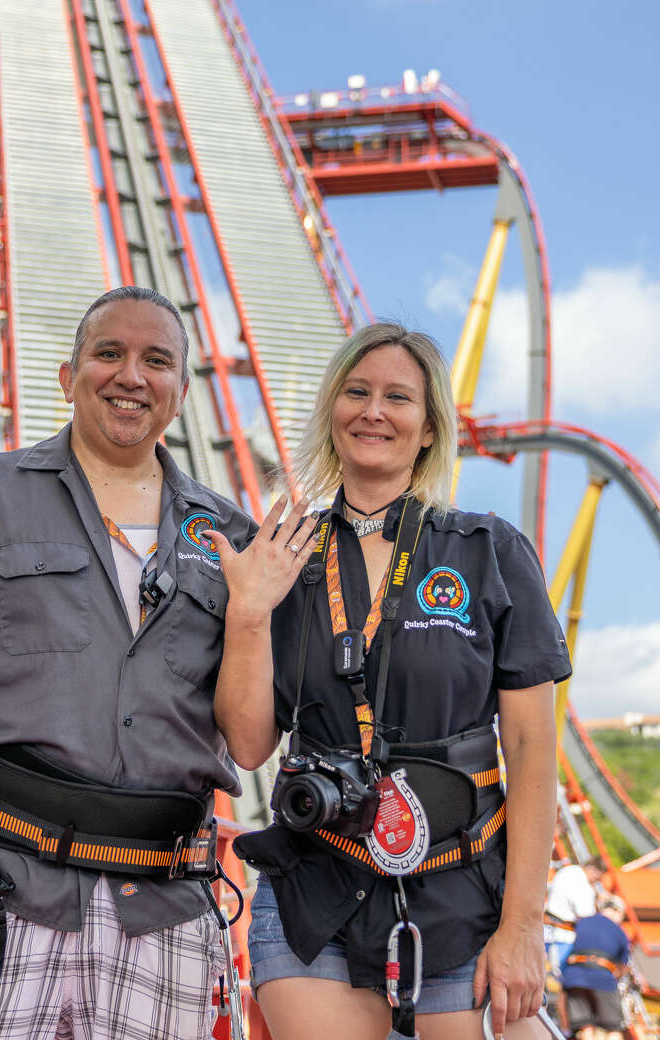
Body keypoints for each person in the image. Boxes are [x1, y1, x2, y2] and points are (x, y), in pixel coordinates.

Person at [0, 286, 313, 1040]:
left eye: (155, 360)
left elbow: (252, 741)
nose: (131, 375)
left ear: (181, 391)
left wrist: (254, 614)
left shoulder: (231, 537)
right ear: (68, 377)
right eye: (109, 354)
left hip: (162, 908)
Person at [210, 321, 572, 1039]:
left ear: (430, 427)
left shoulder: (487, 550)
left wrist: (523, 926)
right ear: (333, 411)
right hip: (317, 889)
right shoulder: (285, 554)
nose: (374, 411)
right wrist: (248, 614)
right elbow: (249, 748)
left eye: (398, 398)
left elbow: (532, 750)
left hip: (462, 892)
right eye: (358, 392)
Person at [561, 895, 630, 1040]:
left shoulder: (583, 922)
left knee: (585, 1026)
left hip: (574, 977)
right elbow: (622, 967)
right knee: (614, 1027)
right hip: (602, 979)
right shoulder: (619, 932)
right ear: (618, 913)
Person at [544, 859, 603, 974]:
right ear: (594, 871)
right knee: (553, 974)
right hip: (563, 936)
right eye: (597, 878)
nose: (596, 881)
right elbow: (587, 916)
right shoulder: (583, 884)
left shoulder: (567, 870)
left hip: (546, 928)